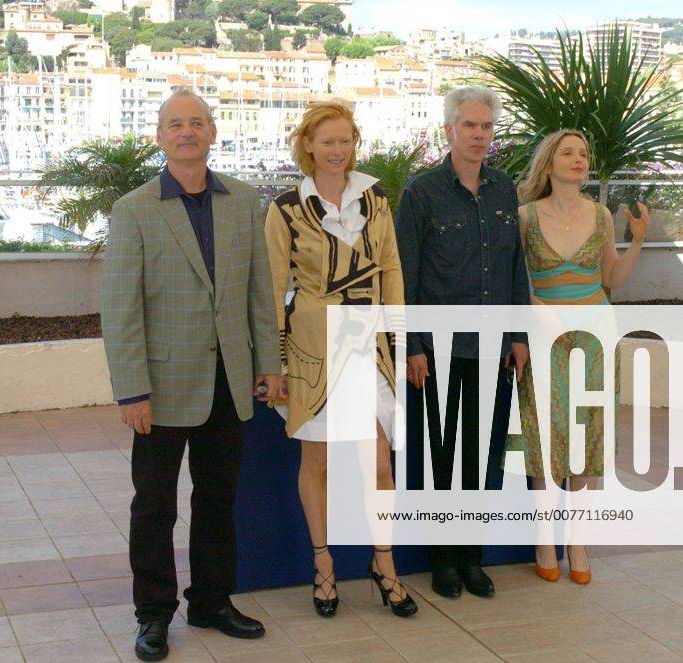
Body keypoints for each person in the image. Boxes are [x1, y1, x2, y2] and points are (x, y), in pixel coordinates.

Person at [101, 89, 283, 661]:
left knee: (217, 500)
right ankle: (154, 615)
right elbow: (121, 309)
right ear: (160, 137)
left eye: (196, 123)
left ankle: (211, 601)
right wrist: (131, 389)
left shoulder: (244, 201)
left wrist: (267, 366)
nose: (187, 132)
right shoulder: (134, 209)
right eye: (176, 124)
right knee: (154, 506)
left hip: (230, 383)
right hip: (161, 389)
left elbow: (260, 294)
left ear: (211, 133)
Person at [264, 101, 417, 619]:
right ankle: (323, 565)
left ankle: (384, 564)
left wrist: (397, 336)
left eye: (345, 140)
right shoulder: (285, 207)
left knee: (378, 463)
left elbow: (391, 267)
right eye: (327, 141)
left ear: (355, 144)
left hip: (369, 344)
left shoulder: (375, 199)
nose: (337, 150)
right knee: (320, 462)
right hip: (313, 347)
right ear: (307, 144)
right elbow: (272, 288)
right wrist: (276, 362)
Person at [395, 86, 531, 599]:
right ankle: (443, 562)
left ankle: (472, 557)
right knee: (442, 457)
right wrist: (413, 344)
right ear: (449, 130)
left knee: (484, 456)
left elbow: (515, 268)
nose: (478, 135)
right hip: (438, 351)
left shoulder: (503, 190)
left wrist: (518, 335)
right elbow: (406, 275)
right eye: (469, 126)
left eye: (486, 127)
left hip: (494, 349)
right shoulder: (421, 192)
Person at [514, 128, 649, 585]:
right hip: (546, 336)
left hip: (596, 333)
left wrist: (638, 242)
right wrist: (538, 311)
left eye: (583, 153)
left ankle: (578, 540)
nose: (578, 159)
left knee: (588, 436)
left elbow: (612, 277)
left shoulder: (602, 216)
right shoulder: (526, 216)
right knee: (545, 435)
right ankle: (543, 540)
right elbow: (519, 281)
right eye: (568, 152)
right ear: (549, 162)